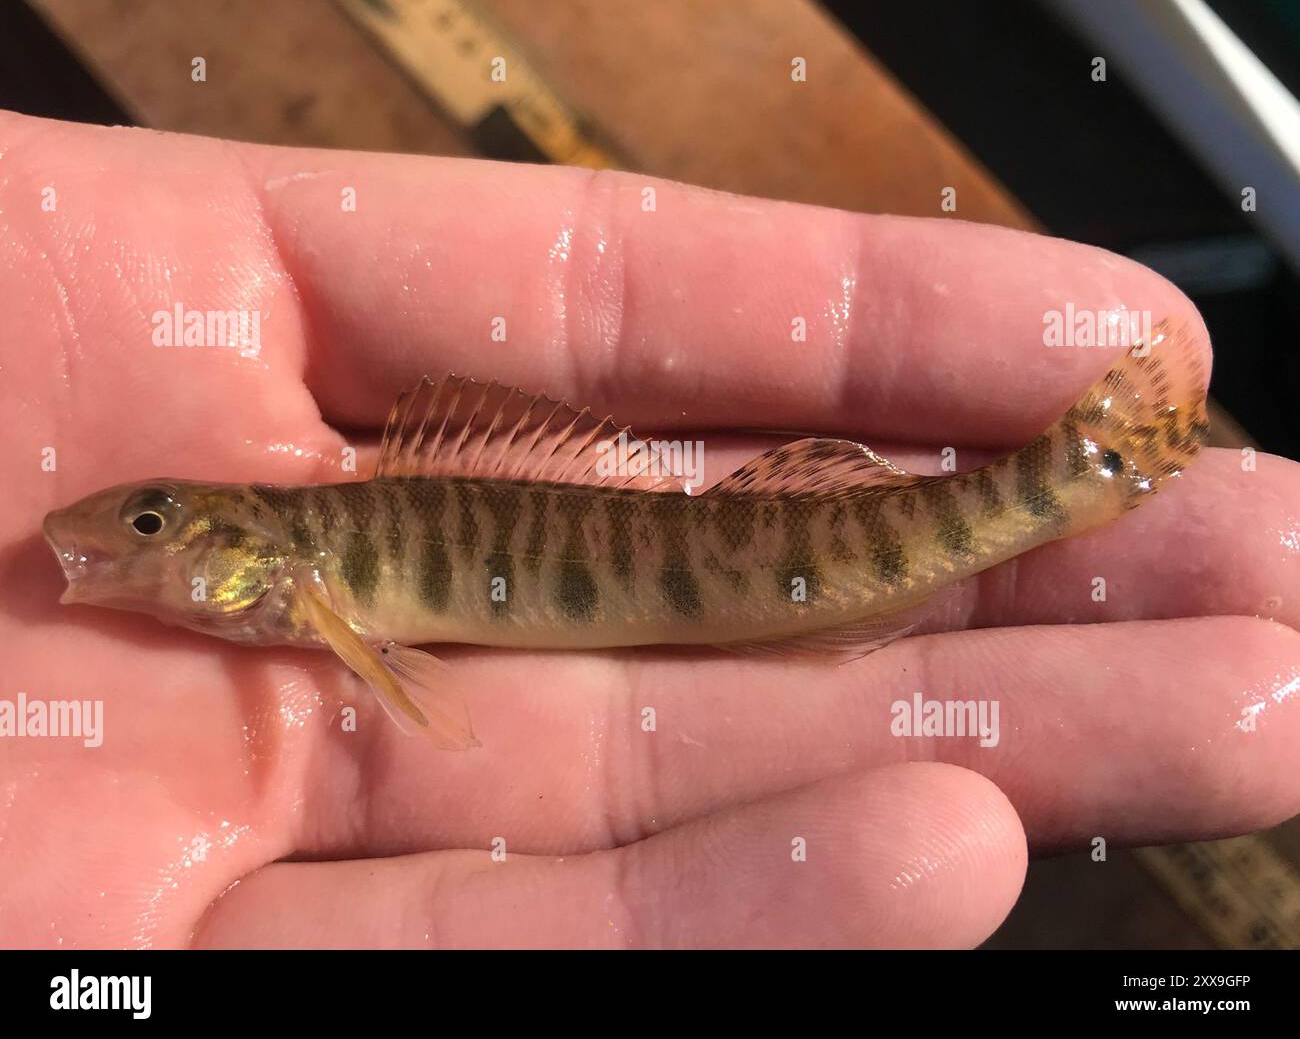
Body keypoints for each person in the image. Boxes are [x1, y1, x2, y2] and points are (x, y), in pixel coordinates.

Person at [1, 108, 1297, 949]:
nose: (116, 543)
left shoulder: (314, 574)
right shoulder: (294, 576)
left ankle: (1087, 472)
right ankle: (1089, 473)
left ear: (244, 549)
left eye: (155, 522)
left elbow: (417, 702)